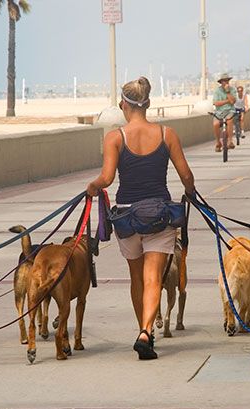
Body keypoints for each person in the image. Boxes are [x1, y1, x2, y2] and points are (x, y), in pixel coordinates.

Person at [86, 77, 196, 360]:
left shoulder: (115, 137)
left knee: (136, 278)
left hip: (127, 217)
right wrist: (191, 193)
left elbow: (107, 178)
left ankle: (143, 330)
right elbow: (185, 174)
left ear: (124, 105)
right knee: (152, 278)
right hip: (159, 215)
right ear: (147, 104)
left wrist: (93, 186)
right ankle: (147, 331)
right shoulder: (167, 134)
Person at [212, 73, 237, 152]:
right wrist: (227, 101)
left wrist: (227, 92)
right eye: (224, 81)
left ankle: (230, 141)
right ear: (221, 82)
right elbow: (216, 103)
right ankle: (218, 142)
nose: (226, 82)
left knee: (229, 121)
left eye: (227, 81)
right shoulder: (217, 91)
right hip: (219, 111)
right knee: (215, 124)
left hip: (230, 110)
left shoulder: (232, 90)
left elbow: (233, 102)